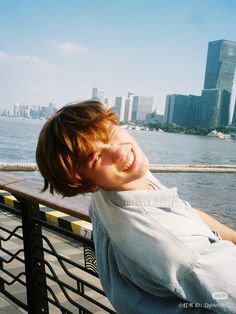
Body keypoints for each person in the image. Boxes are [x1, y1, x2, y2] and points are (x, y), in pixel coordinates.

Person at [36, 100, 236, 314]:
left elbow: (183, 209)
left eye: (110, 134)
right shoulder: (182, 250)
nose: (118, 152)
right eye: (96, 158)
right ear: (84, 181)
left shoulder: (116, 185)